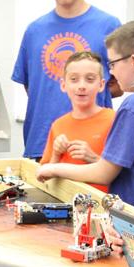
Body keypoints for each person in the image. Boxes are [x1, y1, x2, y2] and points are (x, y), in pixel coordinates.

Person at [36, 21, 134, 208]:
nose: (112, 72)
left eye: (113, 64)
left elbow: (104, 172)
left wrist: (52, 168)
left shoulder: (133, 107)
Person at [13, 0, 121, 159]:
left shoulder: (108, 26)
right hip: (41, 141)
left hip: (92, 147)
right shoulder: (34, 31)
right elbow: (32, 86)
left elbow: (119, 84)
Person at [37, 50, 115, 192]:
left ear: (101, 85)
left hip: (103, 207)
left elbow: (126, 174)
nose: (82, 86)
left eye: (90, 79)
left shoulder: (114, 120)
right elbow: (44, 176)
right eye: (74, 79)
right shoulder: (58, 125)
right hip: (66, 204)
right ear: (63, 85)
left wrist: (94, 158)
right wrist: (55, 153)